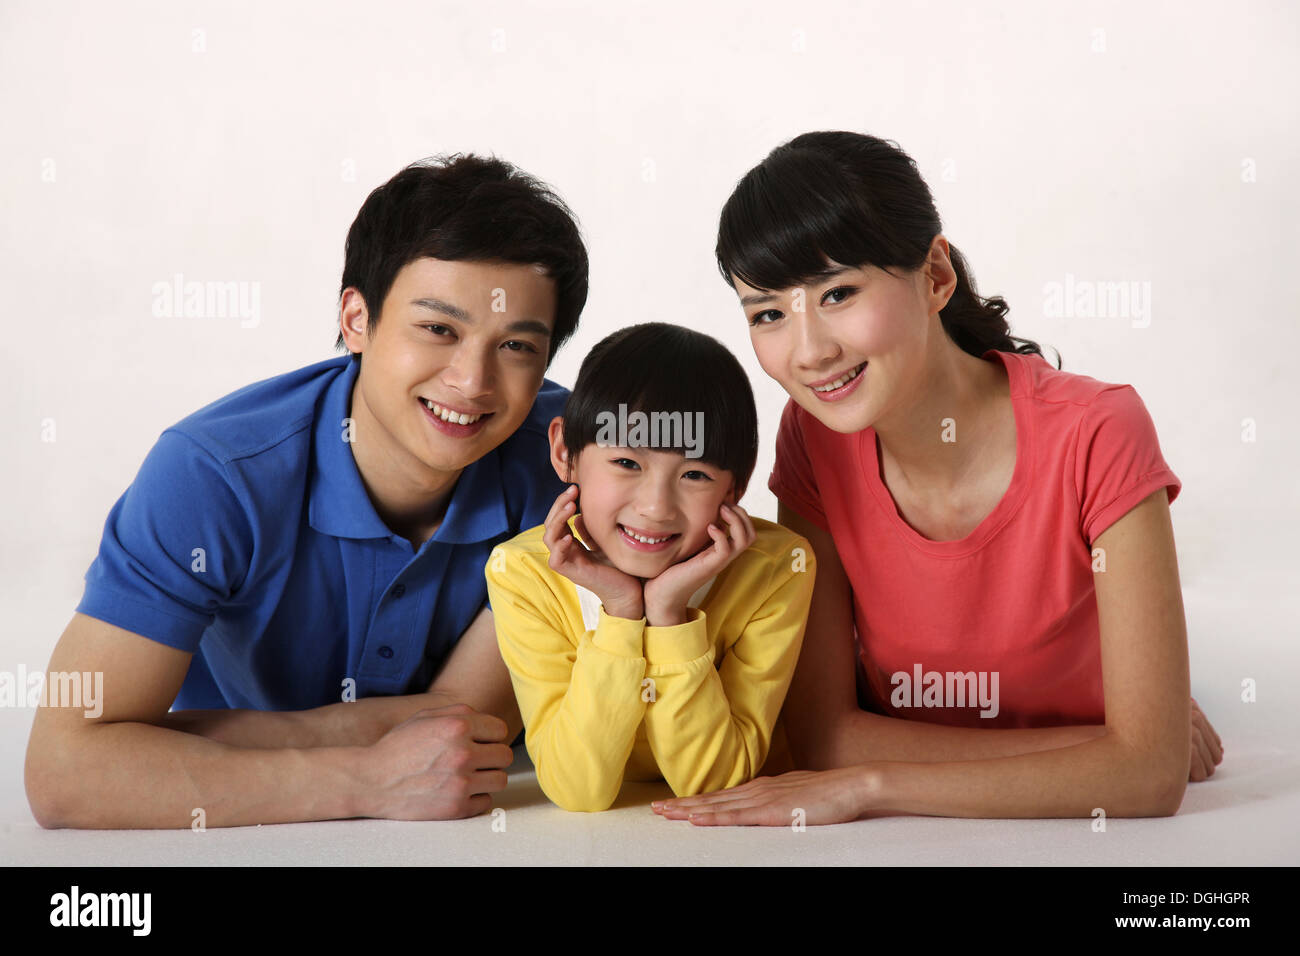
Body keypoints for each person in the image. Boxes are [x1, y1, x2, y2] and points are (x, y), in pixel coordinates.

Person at [653, 131, 1224, 826]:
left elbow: (1146, 782)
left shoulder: (1097, 431)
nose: (809, 352)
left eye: (838, 293)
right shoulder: (815, 438)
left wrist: (869, 785)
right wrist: (1103, 750)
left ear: (935, 277)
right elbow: (824, 734)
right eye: (769, 313)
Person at [25, 153, 590, 828]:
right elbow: (62, 771)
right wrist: (364, 780)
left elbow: (462, 730)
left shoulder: (572, 466)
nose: (472, 381)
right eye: (439, 329)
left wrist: (193, 744)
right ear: (356, 318)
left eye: (517, 347)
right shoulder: (212, 475)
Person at [485, 323, 816, 812]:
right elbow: (578, 791)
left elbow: (713, 786)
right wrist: (620, 611)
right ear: (564, 453)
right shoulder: (523, 573)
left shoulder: (775, 570)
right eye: (626, 463)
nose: (656, 508)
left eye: (695, 474)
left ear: (734, 489)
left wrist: (668, 615)